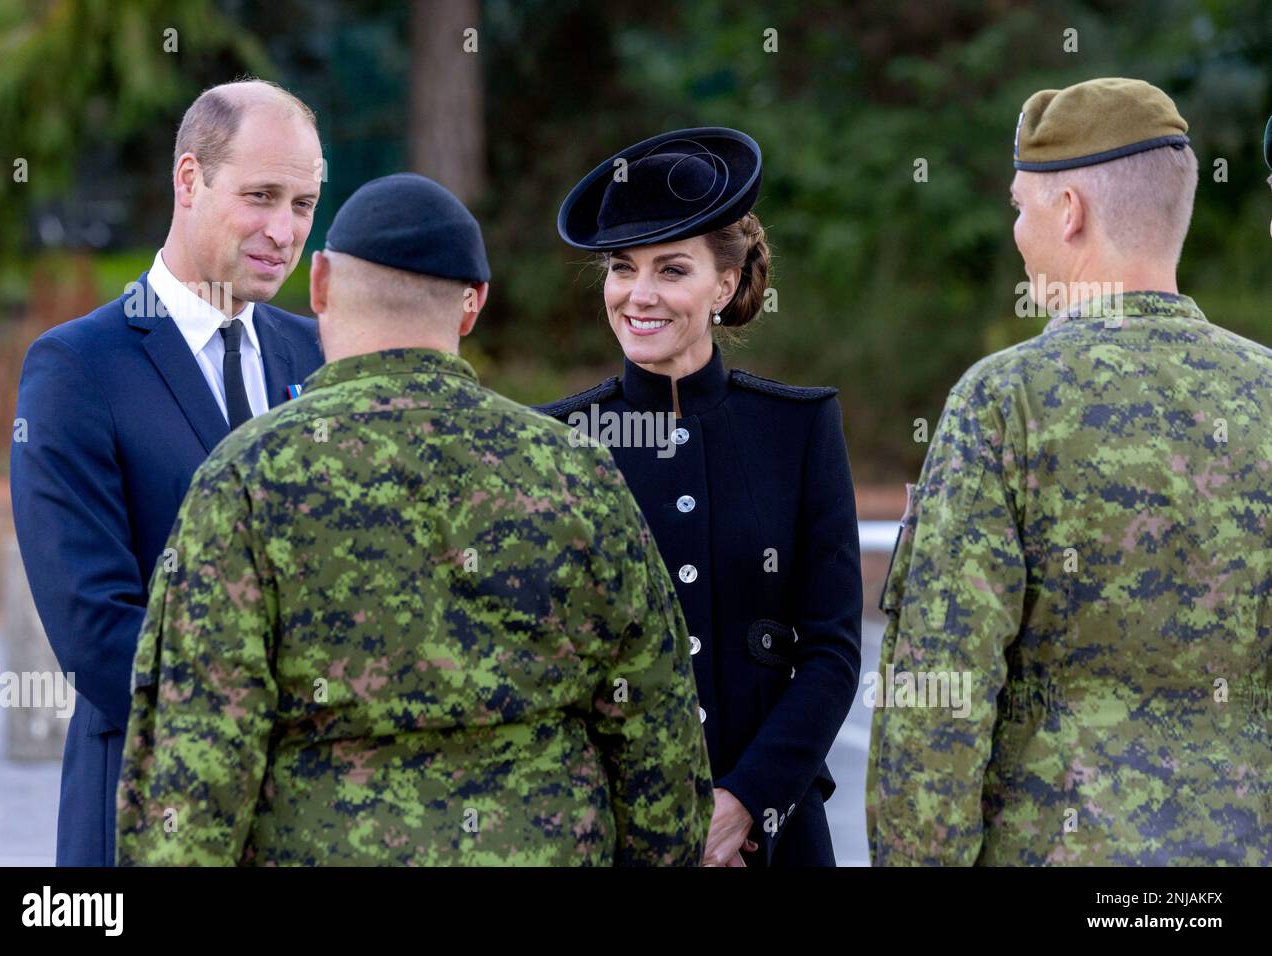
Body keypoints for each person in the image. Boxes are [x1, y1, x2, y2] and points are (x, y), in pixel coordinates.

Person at [116, 173, 713, 866]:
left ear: (319, 287)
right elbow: (657, 734)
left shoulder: (248, 477)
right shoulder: (578, 471)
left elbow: (197, 767)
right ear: (473, 307)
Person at [867, 77, 1272, 865]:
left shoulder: (1003, 403)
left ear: (1070, 212)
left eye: (1021, 205)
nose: (1017, 229)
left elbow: (939, 693)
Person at [10, 79, 325, 866]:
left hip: (314, 826)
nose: (283, 231)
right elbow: (96, 631)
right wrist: (271, 737)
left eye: (303, 205)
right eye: (261, 196)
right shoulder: (76, 368)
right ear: (189, 180)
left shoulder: (319, 356)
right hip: (148, 812)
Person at [537, 128, 863, 867]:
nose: (637, 295)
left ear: (724, 284)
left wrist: (747, 800)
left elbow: (833, 652)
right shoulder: (554, 441)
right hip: (608, 835)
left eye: (671, 270)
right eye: (623, 269)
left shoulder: (799, 427)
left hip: (773, 838)